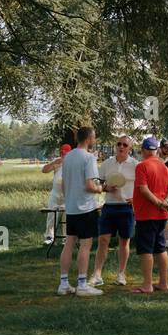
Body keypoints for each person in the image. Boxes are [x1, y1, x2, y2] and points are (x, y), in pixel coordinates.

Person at [57, 127, 103, 297]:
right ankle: (82, 284)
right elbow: (90, 185)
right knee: (85, 245)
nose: (95, 140)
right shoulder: (89, 157)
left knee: (69, 244)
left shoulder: (67, 157)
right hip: (86, 208)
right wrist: (101, 189)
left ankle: (63, 283)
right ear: (89, 139)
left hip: (71, 208)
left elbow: (63, 184)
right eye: (94, 137)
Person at [90, 135, 136, 286]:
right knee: (103, 240)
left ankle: (121, 274)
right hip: (109, 206)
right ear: (115, 146)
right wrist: (105, 188)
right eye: (119, 144)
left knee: (124, 242)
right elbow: (98, 182)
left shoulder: (136, 165)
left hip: (126, 208)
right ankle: (97, 274)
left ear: (130, 148)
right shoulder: (107, 163)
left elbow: (142, 187)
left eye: (125, 145)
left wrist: (135, 199)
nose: (121, 147)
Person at [131, 136, 168, 293]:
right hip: (161, 215)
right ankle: (163, 283)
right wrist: (166, 202)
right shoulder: (164, 167)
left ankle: (147, 285)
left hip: (146, 214)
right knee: (161, 248)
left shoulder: (141, 166)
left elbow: (143, 188)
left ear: (143, 150)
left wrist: (158, 203)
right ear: (156, 151)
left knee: (146, 250)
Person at [41, 142, 72, 245]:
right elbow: (44, 170)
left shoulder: (73, 163)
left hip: (67, 195)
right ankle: (49, 237)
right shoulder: (57, 163)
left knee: (67, 217)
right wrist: (53, 163)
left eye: (66, 154)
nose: (64, 156)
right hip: (55, 193)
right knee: (51, 216)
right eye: (62, 154)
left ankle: (66, 238)